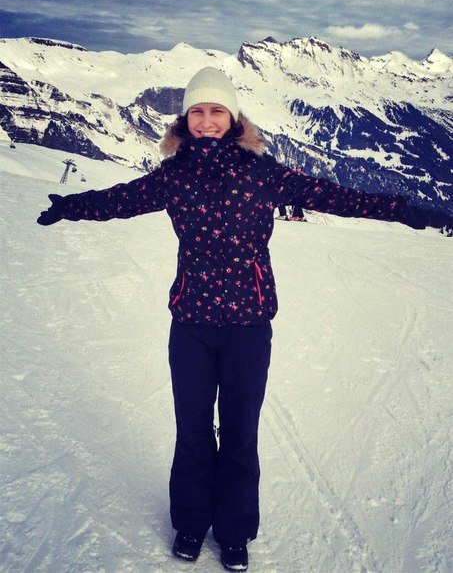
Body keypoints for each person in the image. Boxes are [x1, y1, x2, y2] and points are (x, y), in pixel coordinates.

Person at [37, 67, 453, 571]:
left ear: (233, 118)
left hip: (249, 327)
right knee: (193, 433)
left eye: (217, 110)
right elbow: (120, 200)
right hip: (190, 325)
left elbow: (338, 197)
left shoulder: (263, 173)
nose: (206, 120)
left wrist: (406, 210)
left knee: (239, 434)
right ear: (184, 120)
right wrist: (72, 206)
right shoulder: (174, 176)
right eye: (197, 111)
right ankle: (191, 523)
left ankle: (234, 532)